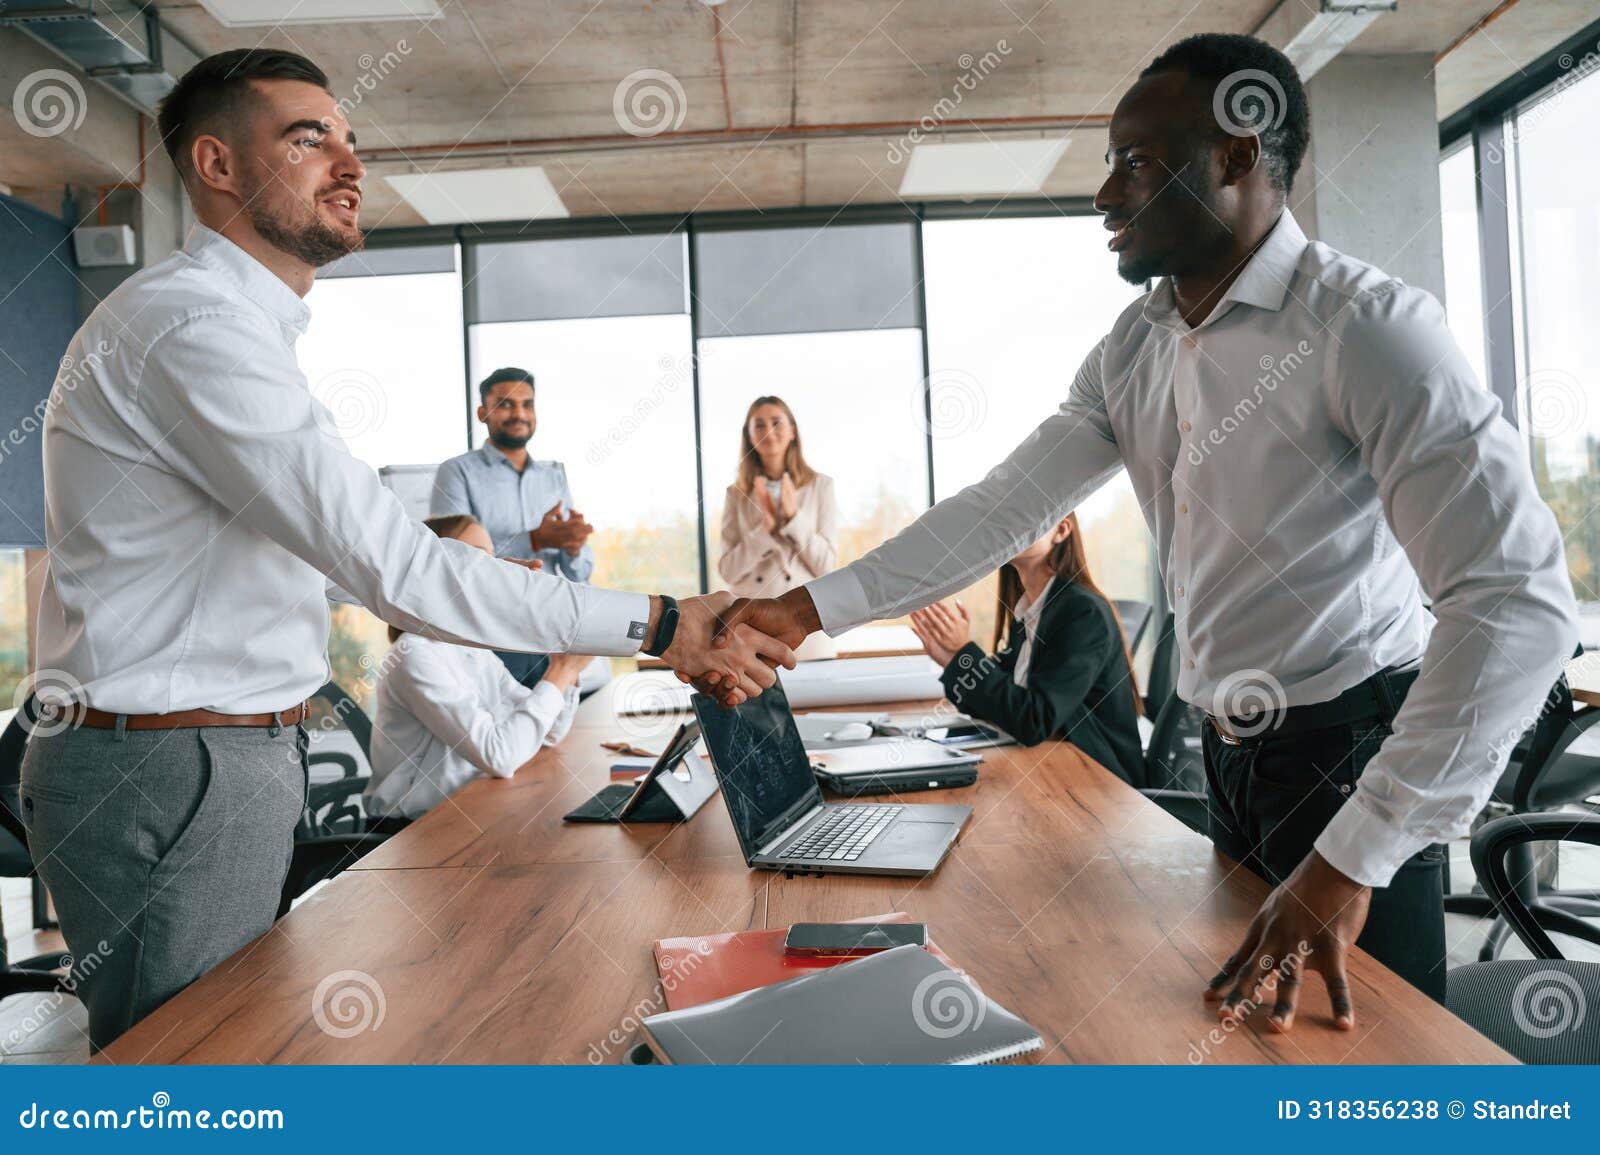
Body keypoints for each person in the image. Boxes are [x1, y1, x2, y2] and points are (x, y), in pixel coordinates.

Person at [705, 32, 1577, 1031]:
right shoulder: (1135, 346)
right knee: (1251, 1062)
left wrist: (1354, 852)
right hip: (1231, 765)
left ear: (1239, 154)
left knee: (1375, 1082)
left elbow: (1517, 606)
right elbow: (1000, 509)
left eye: (1135, 160)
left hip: (1348, 764)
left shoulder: (1368, 328)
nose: (1103, 193)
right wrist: (804, 610)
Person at [21, 48, 790, 1050]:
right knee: (191, 1075)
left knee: (224, 1057)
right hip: (171, 762)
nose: (347, 162)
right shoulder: (191, 327)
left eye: (349, 138)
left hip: (208, 752)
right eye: (307, 138)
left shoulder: (237, 331)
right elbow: (396, 568)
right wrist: (656, 623)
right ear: (215, 165)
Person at [364, 515, 589, 829]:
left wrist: (566, 668)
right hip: (410, 832)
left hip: (467, 810)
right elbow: (500, 756)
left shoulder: (467, 646)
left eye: (491, 559)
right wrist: (560, 673)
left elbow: (549, 732)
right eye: (476, 557)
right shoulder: (414, 653)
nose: (492, 570)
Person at [908, 514, 1143, 782]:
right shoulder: (1030, 611)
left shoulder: (1082, 613)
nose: (1010, 526)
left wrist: (964, 653)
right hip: (1058, 765)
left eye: (1024, 517)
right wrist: (954, 659)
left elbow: (1034, 720)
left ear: (1061, 530)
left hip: (1103, 782)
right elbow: (1004, 706)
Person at [432, 367, 594, 687]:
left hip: (550, 628)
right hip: (492, 633)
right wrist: (533, 539)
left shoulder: (553, 476)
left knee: (561, 731)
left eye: (527, 404)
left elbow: (580, 571)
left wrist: (573, 549)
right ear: (483, 412)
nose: (519, 413)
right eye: (505, 404)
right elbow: (452, 558)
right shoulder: (456, 472)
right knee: (504, 732)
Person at [717, 396, 838, 660]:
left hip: (808, 628)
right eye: (758, 425)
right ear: (748, 435)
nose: (768, 432)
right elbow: (728, 570)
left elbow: (827, 566)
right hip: (751, 631)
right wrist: (763, 532)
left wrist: (794, 518)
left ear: (792, 431)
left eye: (776, 423)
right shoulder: (736, 494)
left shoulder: (821, 486)